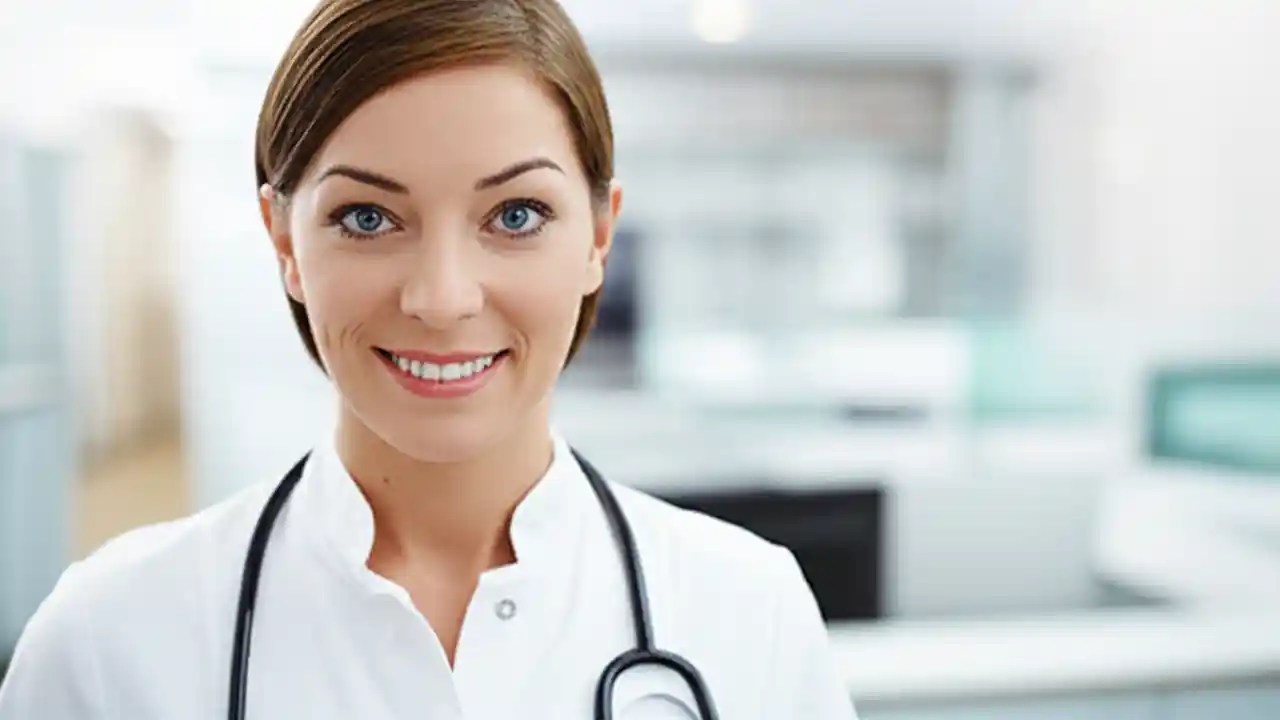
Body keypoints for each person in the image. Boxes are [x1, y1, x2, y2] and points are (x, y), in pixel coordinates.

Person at [0, 1, 858, 717]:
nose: (442, 298)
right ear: (284, 241)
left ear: (598, 235)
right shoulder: (108, 642)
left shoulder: (751, 613)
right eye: (368, 218)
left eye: (515, 215)